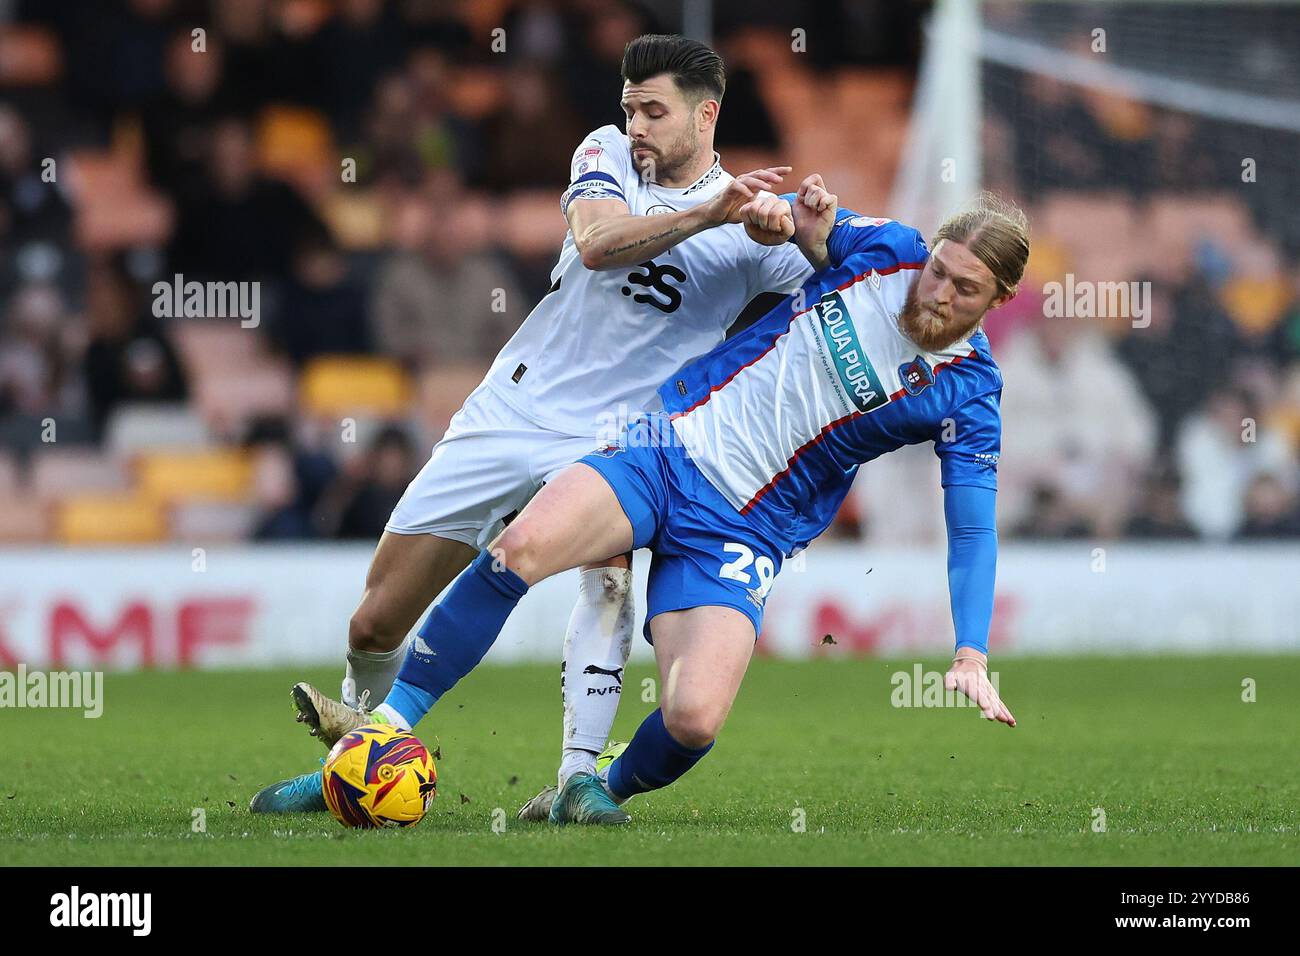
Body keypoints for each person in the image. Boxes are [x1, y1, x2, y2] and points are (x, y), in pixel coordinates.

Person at [288, 177, 1026, 826]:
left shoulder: (971, 396)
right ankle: (379, 733)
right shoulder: (887, 252)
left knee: (694, 720)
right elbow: (803, 225)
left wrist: (970, 650)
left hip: (748, 528)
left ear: (1000, 300)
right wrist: (793, 213)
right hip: (669, 444)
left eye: (965, 289)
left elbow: (970, 533)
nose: (938, 293)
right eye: (940, 271)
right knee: (518, 550)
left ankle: (592, 787)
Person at [249, 34, 811, 818]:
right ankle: (358, 760)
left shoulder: (747, 219)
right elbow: (597, 243)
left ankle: (577, 776)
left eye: (655, 110)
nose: (638, 123)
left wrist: (803, 226)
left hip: (622, 437)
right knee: (375, 620)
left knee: (608, 575)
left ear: (706, 114)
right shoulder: (606, 152)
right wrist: (705, 213)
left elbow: (839, 270)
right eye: (631, 107)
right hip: (514, 406)